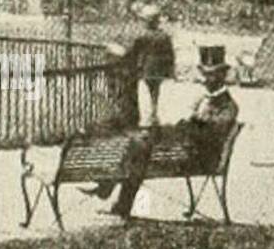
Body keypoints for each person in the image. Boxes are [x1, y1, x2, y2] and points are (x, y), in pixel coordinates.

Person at [88, 45, 239, 220]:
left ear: (222, 76)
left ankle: (112, 191)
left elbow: (209, 136)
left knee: (140, 150)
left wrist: (185, 129)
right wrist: (179, 128)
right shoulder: (205, 99)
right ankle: (116, 197)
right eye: (205, 74)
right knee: (140, 146)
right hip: (184, 151)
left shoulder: (228, 106)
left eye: (212, 75)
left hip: (199, 159)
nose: (207, 79)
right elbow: (196, 125)